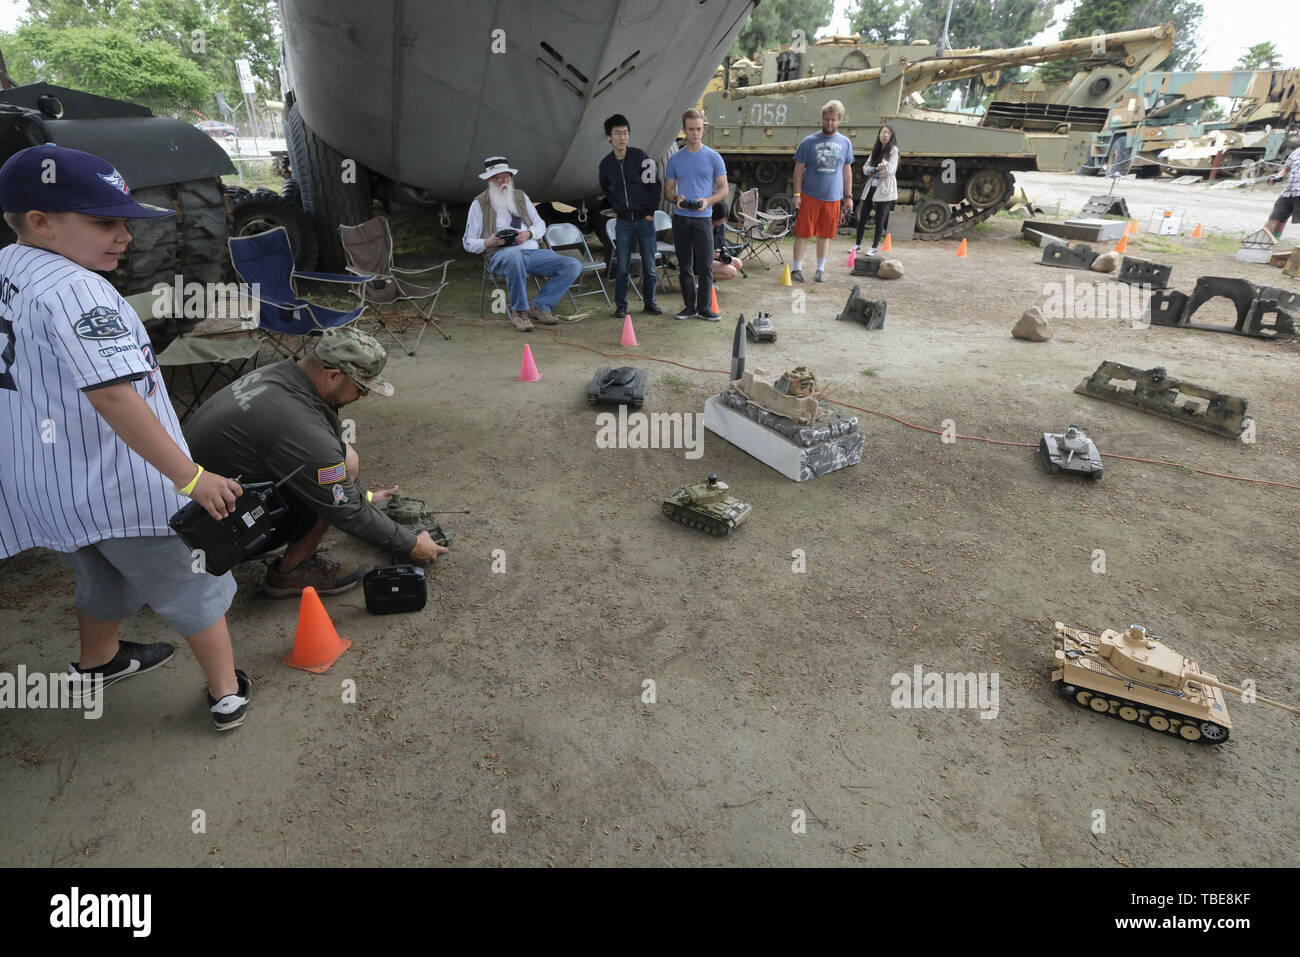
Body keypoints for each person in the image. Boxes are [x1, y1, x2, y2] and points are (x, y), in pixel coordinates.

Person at [0, 144, 251, 731]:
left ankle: (100, 663)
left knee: (99, 572)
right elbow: (113, 395)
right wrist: (191, 477)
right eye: (103, 222)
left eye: (125, 221)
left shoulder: (8, 266)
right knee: (194, 583)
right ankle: (225, 691)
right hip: (121, 484)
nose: (124, 236)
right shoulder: (78, 290)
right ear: (41, 221)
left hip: (47, 481)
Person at [184, 327, 448, 598]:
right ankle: (291, 571)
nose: (364, 396)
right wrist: (411, 544)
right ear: (333, 375)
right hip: (205, 531)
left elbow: (330, 462)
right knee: (332, 492)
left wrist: (365, 495)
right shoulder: (298, 426)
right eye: (361, 388)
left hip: (207, 494)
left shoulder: (285, 375)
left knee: (345, 460)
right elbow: (345, 510)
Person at [463, 156, 582, 332]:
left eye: (507, 176)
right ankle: (520, 312)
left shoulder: (520, 196)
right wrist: (488, 242)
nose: (504, 181)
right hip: (500, 255)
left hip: (533, 252)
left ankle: (541, 306)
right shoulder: (479, 203)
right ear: (489, 180)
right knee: (514, 257)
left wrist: (529, 233)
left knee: (572, 264)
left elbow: (540, 224)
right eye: (498, 177)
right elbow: (467, 242)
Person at [665, 109, 729, 321]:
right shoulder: (675, 160)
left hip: (704, 219)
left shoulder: (713, 157)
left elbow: (724, 189)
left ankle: (705, 308)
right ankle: (689, 307)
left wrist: (707, 201)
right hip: (681, 218)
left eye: (699, 129)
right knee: (684, 264)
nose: (695, 133)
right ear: (684, 130)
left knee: (705, 265)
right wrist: (677, 199)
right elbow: (667, 192)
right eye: (691, 129)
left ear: (704, 128)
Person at [599, 113, 663, 317]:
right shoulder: (606, 165)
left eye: (625, 133)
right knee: (622, 265)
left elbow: (655, 184)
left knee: (650, 264)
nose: (622, 137)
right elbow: (606, 188)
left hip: (645, 220)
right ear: (609, 137)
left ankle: (650, 303)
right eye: (617, 133)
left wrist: (650, 212)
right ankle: (621, 306)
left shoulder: (641, 156)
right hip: (624, 221)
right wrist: (618, 207)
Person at [790, 100, 854, 282]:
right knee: (803, 232)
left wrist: (848, 197)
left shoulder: (845, 143)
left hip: (833, 197)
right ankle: (797, 269)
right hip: (809, 195)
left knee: (825, 234)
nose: (829, 123)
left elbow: (847, 171)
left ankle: (820, 269)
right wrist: (797, 194)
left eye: (833, 120)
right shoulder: (809, 142)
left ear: (840, 120)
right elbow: (798, 170)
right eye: (826, 119)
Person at [854, 125, 900, 256]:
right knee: (863, 216)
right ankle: (857, 244)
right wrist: (876, 169)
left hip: (884, 189)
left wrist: (877, 171)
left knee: (879, 219)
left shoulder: (893, 150)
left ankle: (874, 247)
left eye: (887, 133)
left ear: (891, 136)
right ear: (879, 135)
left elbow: (890, 170)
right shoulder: (876, 149)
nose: (884, 135)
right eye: (882, 132)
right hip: (871, 187)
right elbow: (865, 168)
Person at [1263, 135, 1300, 241]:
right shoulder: (1295, 152)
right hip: (1288, 192)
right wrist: (1277, 177)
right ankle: (1264, 243)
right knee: (1274, 218)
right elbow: (1286, 168)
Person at [711, 203, 744, 280]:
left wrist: (723, 254)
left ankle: (708, 277)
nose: (720, 224)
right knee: (732, 272)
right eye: (718, 221)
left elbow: (722, 245)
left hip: (714, 258)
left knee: (738, 263)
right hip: (701, 259)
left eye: (722, 222)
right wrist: (710, 254)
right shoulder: (704, 227)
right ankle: (696, 279)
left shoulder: (720, 226)